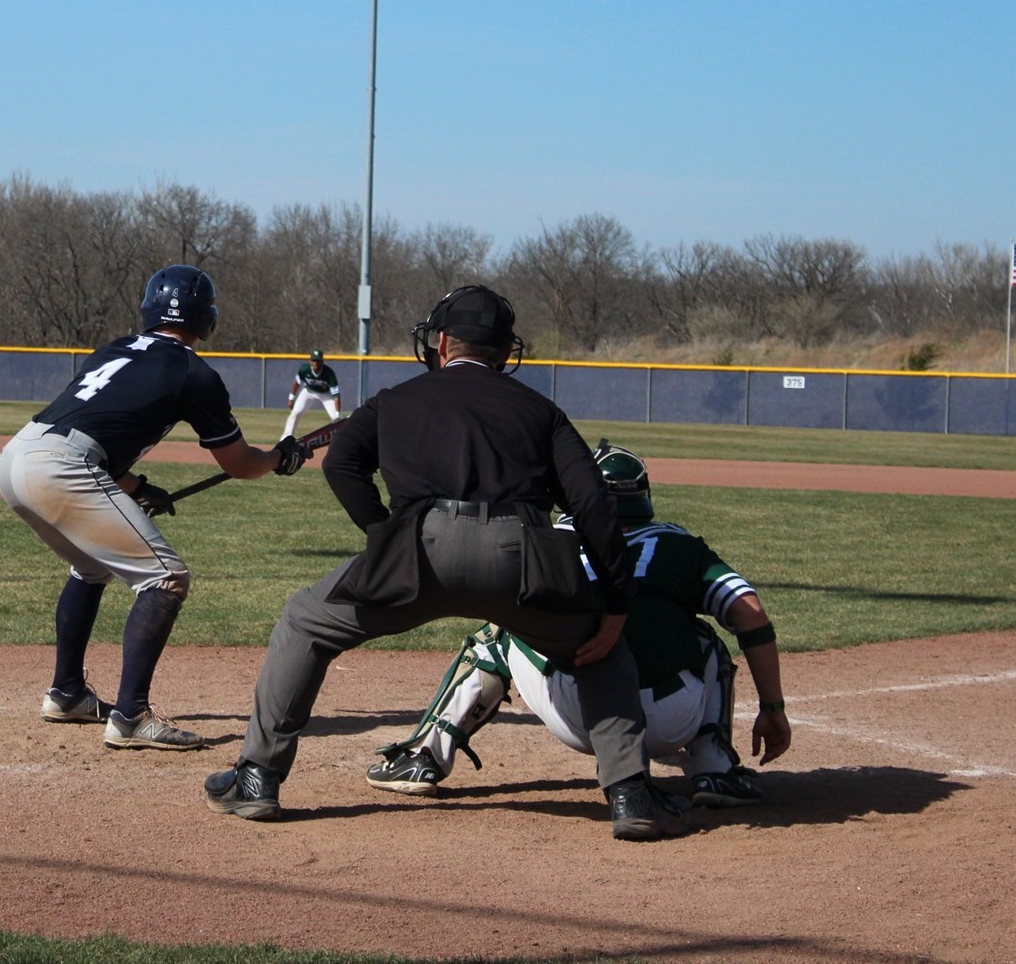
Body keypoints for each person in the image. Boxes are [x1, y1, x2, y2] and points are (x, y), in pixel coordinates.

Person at [205, 284, 691, 840]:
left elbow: (342, 464)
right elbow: (592, 506)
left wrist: (383, 534)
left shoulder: (395, 398)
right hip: (522, 557)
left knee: (305, 622)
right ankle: (629, 794)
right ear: (507, 353)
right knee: (600, 654)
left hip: (416, 553)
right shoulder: (540, 410)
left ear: (440, 343)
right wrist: (613, 601)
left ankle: (257, 779)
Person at [365, 441, 791, 808]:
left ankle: (424, 758)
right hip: (670, 720)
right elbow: (750, 612)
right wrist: (773, 708)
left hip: (579, 710)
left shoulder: (554, 535)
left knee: (499, 629)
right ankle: (713, 768)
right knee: (707, 641)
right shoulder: (679, 542)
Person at [0, 264, 314, 752]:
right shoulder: (194, 371)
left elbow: (97, 430)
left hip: (20, 453)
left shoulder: (117, 348)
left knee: (89, 565)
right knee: (166, 578)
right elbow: (238, 464)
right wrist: (280, 458)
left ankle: (67, 694)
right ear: (207, 319)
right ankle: (131, 718)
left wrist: (136, 485)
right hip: (62, 466)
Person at [281, 350, 344, 439]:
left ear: (322, 361)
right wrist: (291, 398)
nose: (316, 363)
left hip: (325, 394)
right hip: (308, 392)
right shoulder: (304, 369)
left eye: (318, 360)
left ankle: (343, 439)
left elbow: (336, 394)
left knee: (337, 418)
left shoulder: (329, 373)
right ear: (310, 361)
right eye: (314, 360)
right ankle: (285, 439)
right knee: (295, 413)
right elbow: (296, 383)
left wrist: (337, 413)